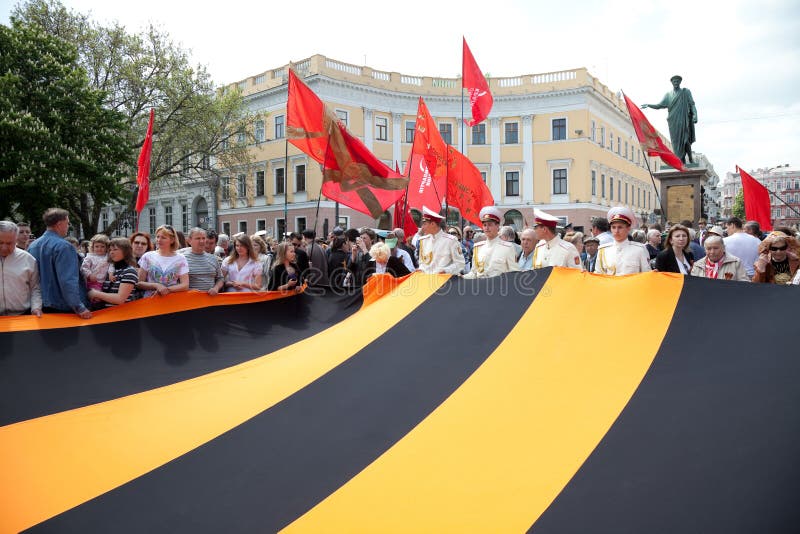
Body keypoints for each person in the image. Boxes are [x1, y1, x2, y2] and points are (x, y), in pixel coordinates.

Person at [28, 208, 91, 318]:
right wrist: (79, 307)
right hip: (63, 307)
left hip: (39, 306)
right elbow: (68, 280)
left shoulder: (33, 245)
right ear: (59, 224)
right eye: (67, 223)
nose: (68, 226)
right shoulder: (64, 246)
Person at [642, 75, 698, 164]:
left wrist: (695, 115)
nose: (676, 83)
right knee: (676, 142)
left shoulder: (685, 92)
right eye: (674, 81)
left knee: (686, 140)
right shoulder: (668, 95)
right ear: (672, 83)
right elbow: (659, 105)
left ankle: (690, 158)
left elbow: (692, 104)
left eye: (677, 81)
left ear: (680, 82)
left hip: (684, 120)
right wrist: (649, 105)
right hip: (673, 121)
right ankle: (680, 160)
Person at [463, 206, 519, 278]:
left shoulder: (508, 247)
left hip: (499, 287)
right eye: (484, 225)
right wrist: (461, 277)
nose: (486, 228)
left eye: (490, 225)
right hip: (480, 287)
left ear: (497, 225)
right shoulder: (478, 247)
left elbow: (514, 273)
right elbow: (474, 273)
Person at [0, 220, 41, 316]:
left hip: (22, 316)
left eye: (9, 243)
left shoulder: (28, 259)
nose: (4, 247)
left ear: (16, 239)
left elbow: (35, 287)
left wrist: (36, 307)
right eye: (0, 242)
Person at [595, 206, 651, 275]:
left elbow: (647, 275)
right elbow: (598, 276)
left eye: (620, 227)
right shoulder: (603, 250)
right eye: (613, 227)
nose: (616, 231)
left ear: (628, 228)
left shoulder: (640, 250)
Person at [137, 224, 190, 297]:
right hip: (150, 300)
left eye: (163, 237)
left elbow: (185, 285)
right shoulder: (147, 256)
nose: (159, 240)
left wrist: (167, 289)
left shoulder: (180, 258)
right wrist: (156, 286)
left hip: (172, 301)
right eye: (157, 237)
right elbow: (139, 283)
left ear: (172, 240)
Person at [87, 238, 139, 308]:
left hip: (119, 315)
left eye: (115, 249)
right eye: (110, 250)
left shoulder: (129, 271)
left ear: (126, 251)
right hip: (104, 313)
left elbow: (120, 299)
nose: (111, 252)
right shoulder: (109, 270)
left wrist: (96, 294)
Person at [416, 207, 466, 275]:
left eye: (425, 224)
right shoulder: (423, 241)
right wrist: (420, 270)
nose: (422, 227)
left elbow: (460, 263)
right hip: (427, 282)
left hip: (445, 282)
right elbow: (422, 263)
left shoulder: (451, 241)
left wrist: (446, 271)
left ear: (433, 224)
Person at [182, 228, 224, 295]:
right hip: (190, 301)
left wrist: (216, 288)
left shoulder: (213, 258)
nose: (201, 241)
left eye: (203, 238)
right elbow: (176, 281)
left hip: (211, 301)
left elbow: (220, 278)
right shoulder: (182, 258)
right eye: (198, 238)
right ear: (189, 240)